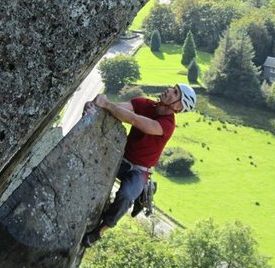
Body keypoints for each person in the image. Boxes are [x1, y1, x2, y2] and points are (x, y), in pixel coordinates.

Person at [82, 83, 196, 247]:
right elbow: (116, 109)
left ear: (178, 106)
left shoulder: (167, 125)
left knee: (126, 196)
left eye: (175, 92)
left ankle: (100, 231)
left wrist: (106, 103)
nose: (169, 90)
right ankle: (141, 191)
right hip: (121, 157)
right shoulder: (144, 103)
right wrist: (94, 105)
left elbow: (133, 119)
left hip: (139, 170)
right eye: (172, 87)